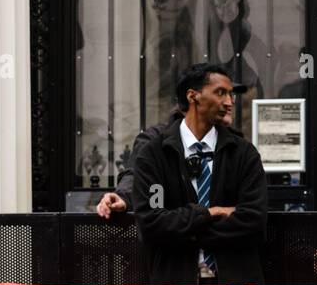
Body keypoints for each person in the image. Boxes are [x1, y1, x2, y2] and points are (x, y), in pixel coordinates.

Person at [131, 63, 267, 285]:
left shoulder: (243, 154)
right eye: (220, 92)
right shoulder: (154, 155)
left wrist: (185, 230)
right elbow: (151, 224)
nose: (229, 102)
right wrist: (210, 213)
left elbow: (254, 222)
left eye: (230, 94)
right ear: (193, 96)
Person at [97, 86, 243, 218]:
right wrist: (122, 197)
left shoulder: (237, 144)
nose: (229, 103)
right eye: (220, 95)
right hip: (174, 237)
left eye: (232, 96)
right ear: (192, 99)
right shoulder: (156, 139)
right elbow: (136, 174)